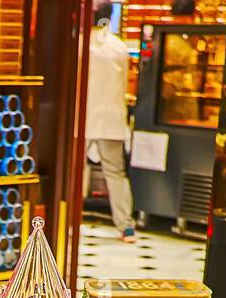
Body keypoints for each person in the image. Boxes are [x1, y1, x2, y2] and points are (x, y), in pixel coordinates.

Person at [84, 5, 136, 243]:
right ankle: (126, 227)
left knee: (76, 171)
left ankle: (70, 218)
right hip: (113, 118)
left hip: (84, 117)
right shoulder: (119, 46)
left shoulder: (83, 43)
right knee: (115, 173)